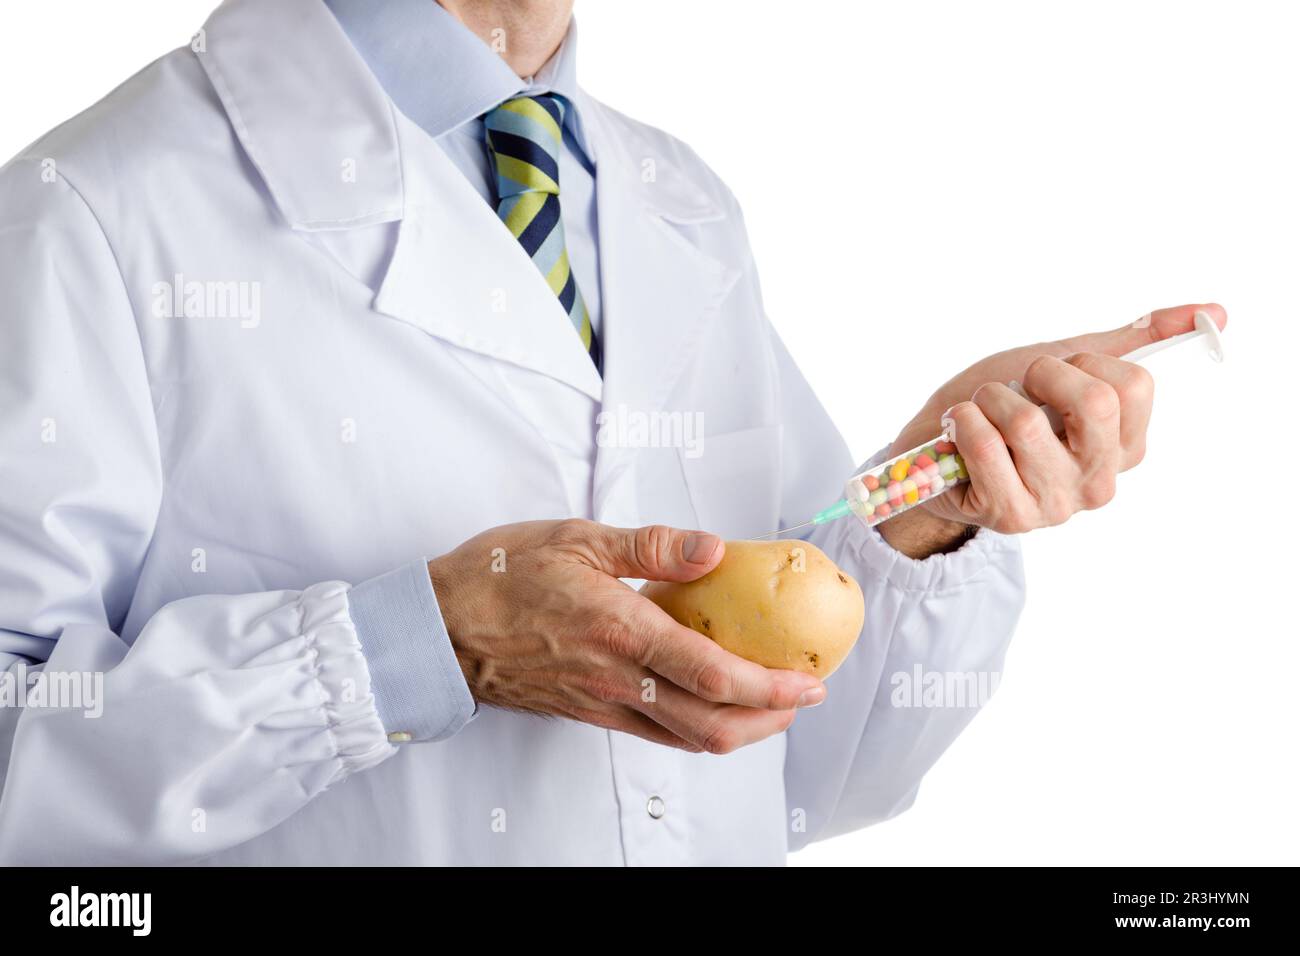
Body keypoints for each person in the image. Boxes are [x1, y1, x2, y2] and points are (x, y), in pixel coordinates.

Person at [0, 0, 1225, 865]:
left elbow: (801, 782)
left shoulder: (673, 199)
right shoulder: (95, 212)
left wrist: (921, 501)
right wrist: (427, 647)